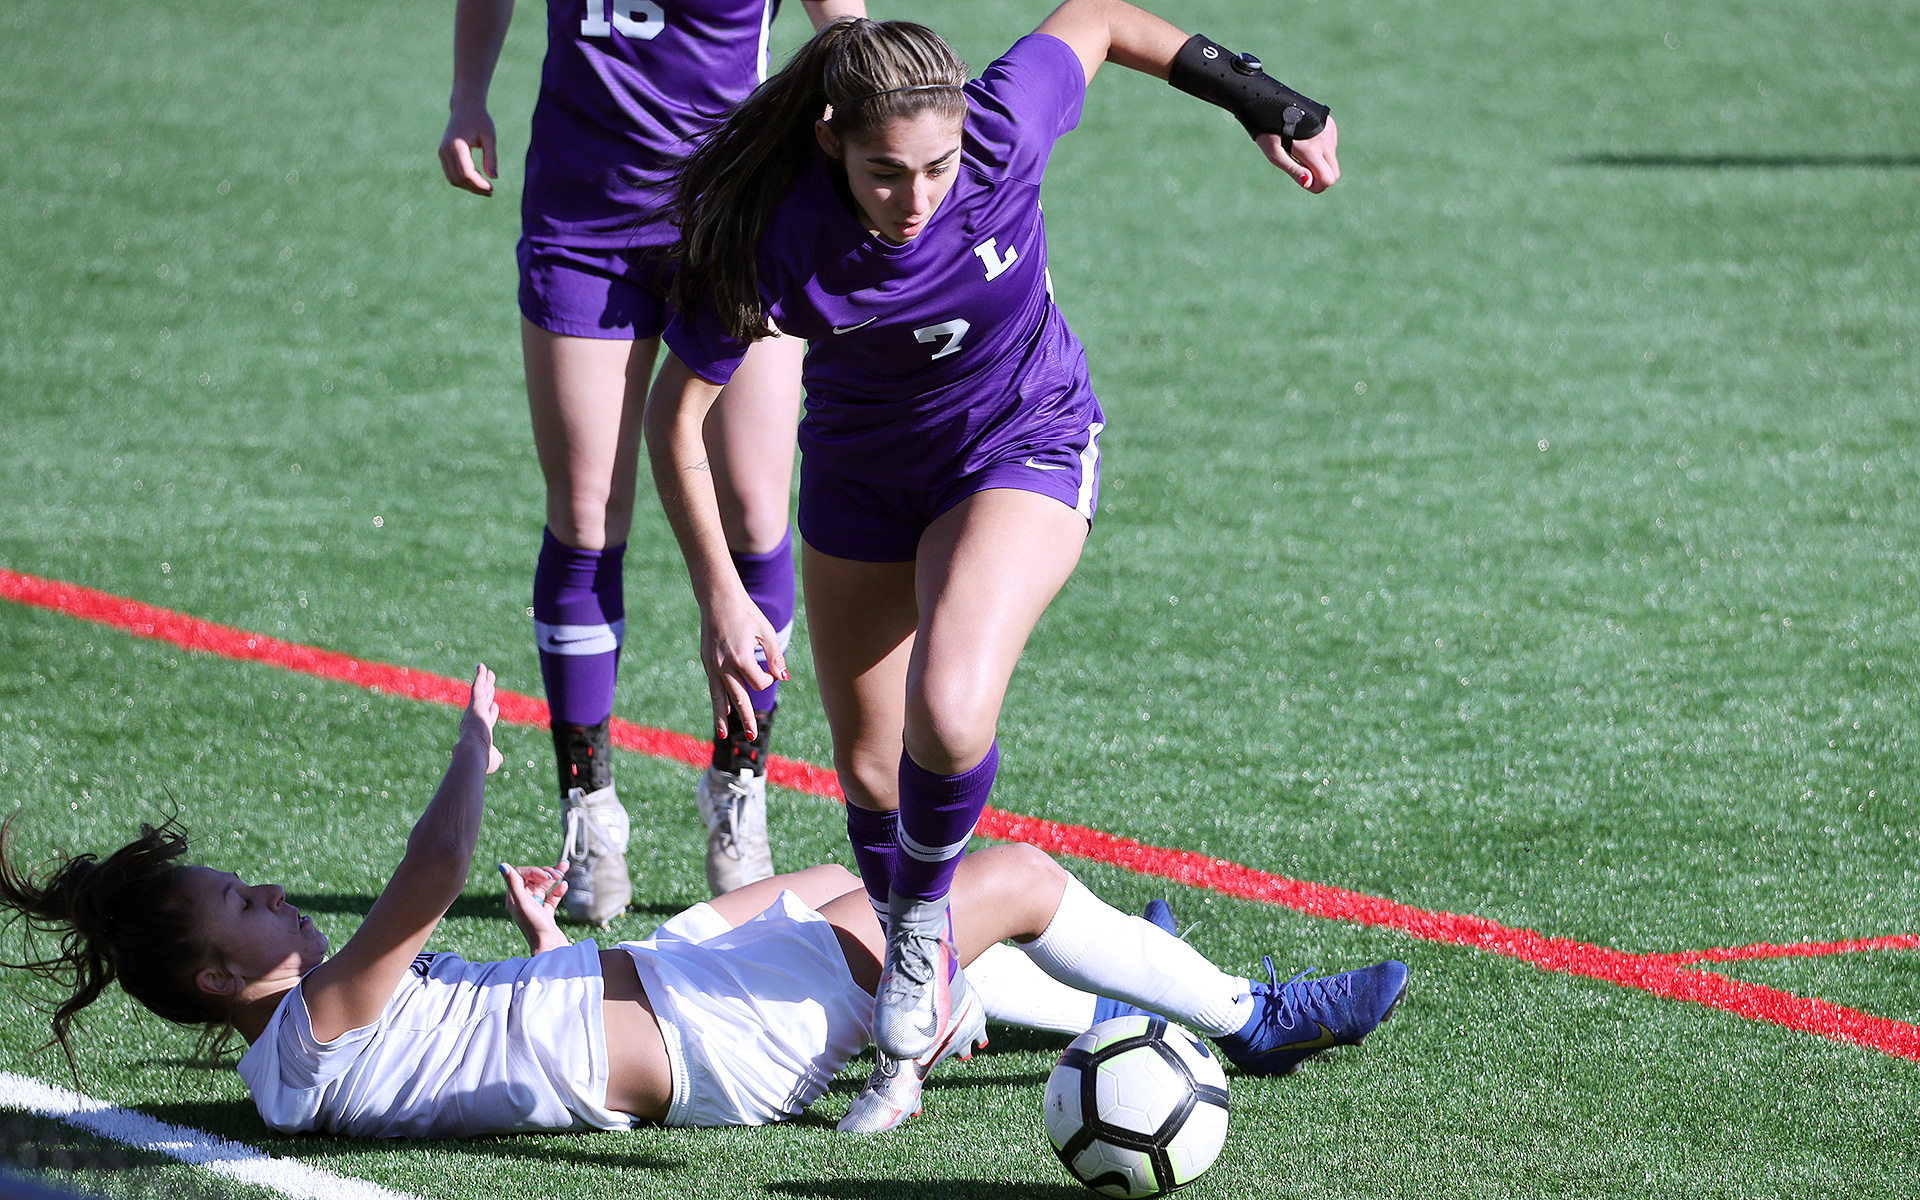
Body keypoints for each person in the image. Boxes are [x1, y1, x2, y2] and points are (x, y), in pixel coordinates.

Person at [643, 1, 1341, 1076]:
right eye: (885, 173)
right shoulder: (773, 233)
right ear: (829, 137)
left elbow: (1101, 20)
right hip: (863, 480)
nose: (915, 198)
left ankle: (925, 954)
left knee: (950, 713)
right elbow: (674, 418)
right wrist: (722, 597)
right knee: (873, 776)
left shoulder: (1005, 126)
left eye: (937, 166)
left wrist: (1261, 99)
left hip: (1024, 440)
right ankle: (978, 997)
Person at [0, 667, 1409, 1137]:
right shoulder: (304, 1032)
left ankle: (1069, 983)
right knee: (1005, 879)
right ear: (211, 978)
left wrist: (552, 941)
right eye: (238, 902)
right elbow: (425, 884)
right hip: (713, 1040)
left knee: (878, 888)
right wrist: (469, 755)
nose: (263, 891)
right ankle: (1249, 1013)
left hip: (671, 990)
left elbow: (493, 1045)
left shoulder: (308, 1048)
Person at [437, 0, 869, 920]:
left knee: (756, 512)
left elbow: (848, 35)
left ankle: (737, 788)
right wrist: (468, 94)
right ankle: (589, 807)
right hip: (583, 220)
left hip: (737, 220)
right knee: (587, 514)